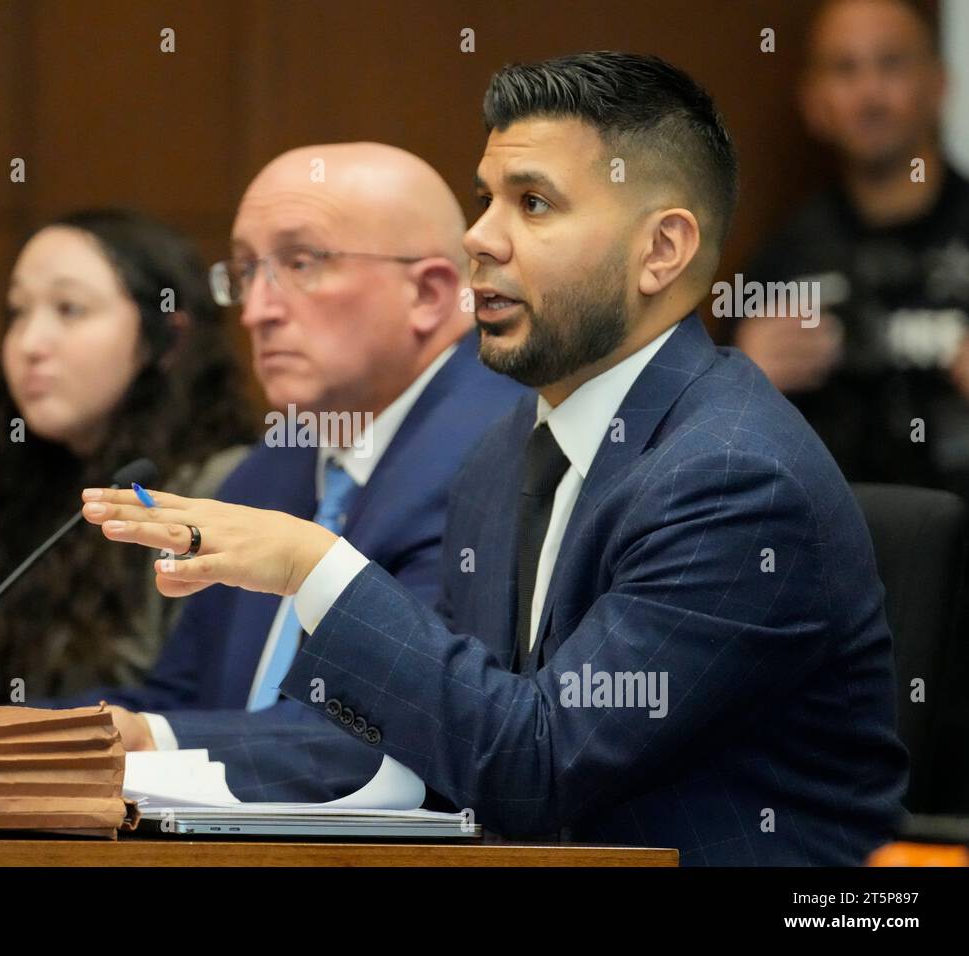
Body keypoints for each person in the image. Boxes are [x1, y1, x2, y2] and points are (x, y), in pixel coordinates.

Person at [82, 54, 910, 865]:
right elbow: (426, 737)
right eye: (486, 200)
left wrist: (314, 566)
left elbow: (536, 766)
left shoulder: (732, 477)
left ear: (661, 251)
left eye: (535, 203)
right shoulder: (506, 452)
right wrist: (125, 753)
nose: (480, 238)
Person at [50, 143, 527, 802]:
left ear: (429, 292)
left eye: (302, 263)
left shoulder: (498, 456)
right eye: (246, 271)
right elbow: (181, 698)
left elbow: (381, 737)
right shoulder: (273, 467)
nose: (256, 310)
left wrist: (153, 740)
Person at [0, 209, 254, 718]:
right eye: (17, 312)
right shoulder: (25, 494)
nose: (30, 344)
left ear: (168, 339)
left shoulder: (217, 490)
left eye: (70, 309)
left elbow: (201, 716)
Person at [735, 0, 969, 500]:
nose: (869, 93)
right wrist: (742, 382)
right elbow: (720, 449)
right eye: (845, 69)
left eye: (891, 63)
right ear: (814, 103)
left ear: (940, 84)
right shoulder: (782, 263)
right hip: (837, 555)